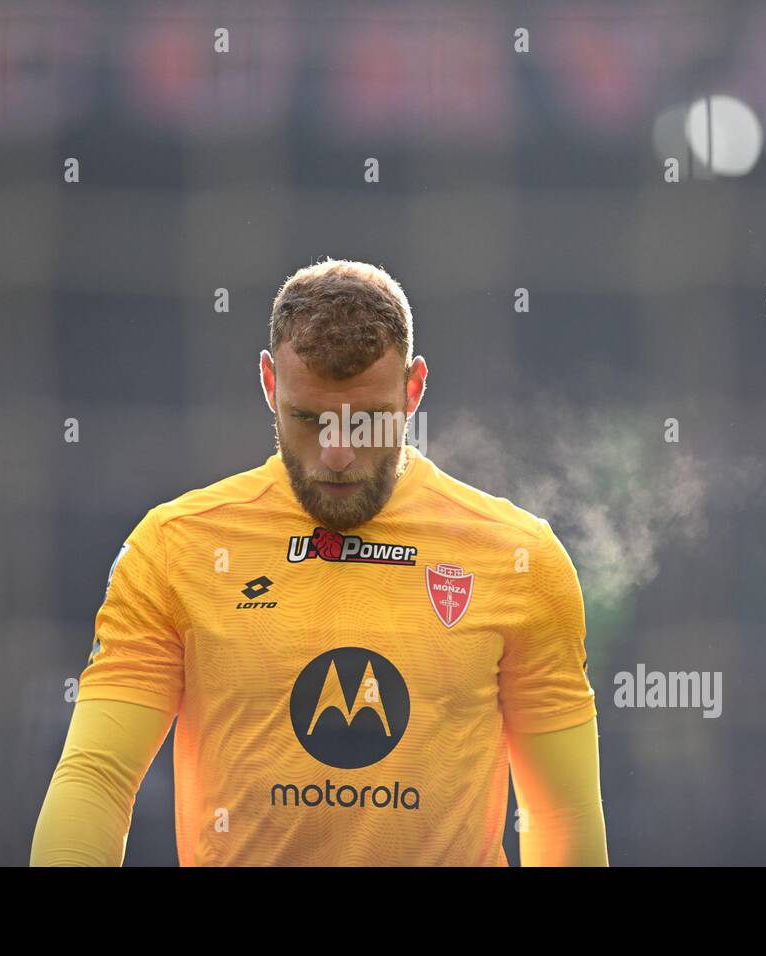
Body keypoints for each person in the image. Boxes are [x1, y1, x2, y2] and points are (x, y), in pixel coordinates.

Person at [30, 258, 608, 866]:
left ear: (412, 391)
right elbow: (98, 777)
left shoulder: (519, 559)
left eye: (365, 420)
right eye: (308, 419)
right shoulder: (176, 548)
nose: (336, 454)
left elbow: (559, 815)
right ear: (269, 383)